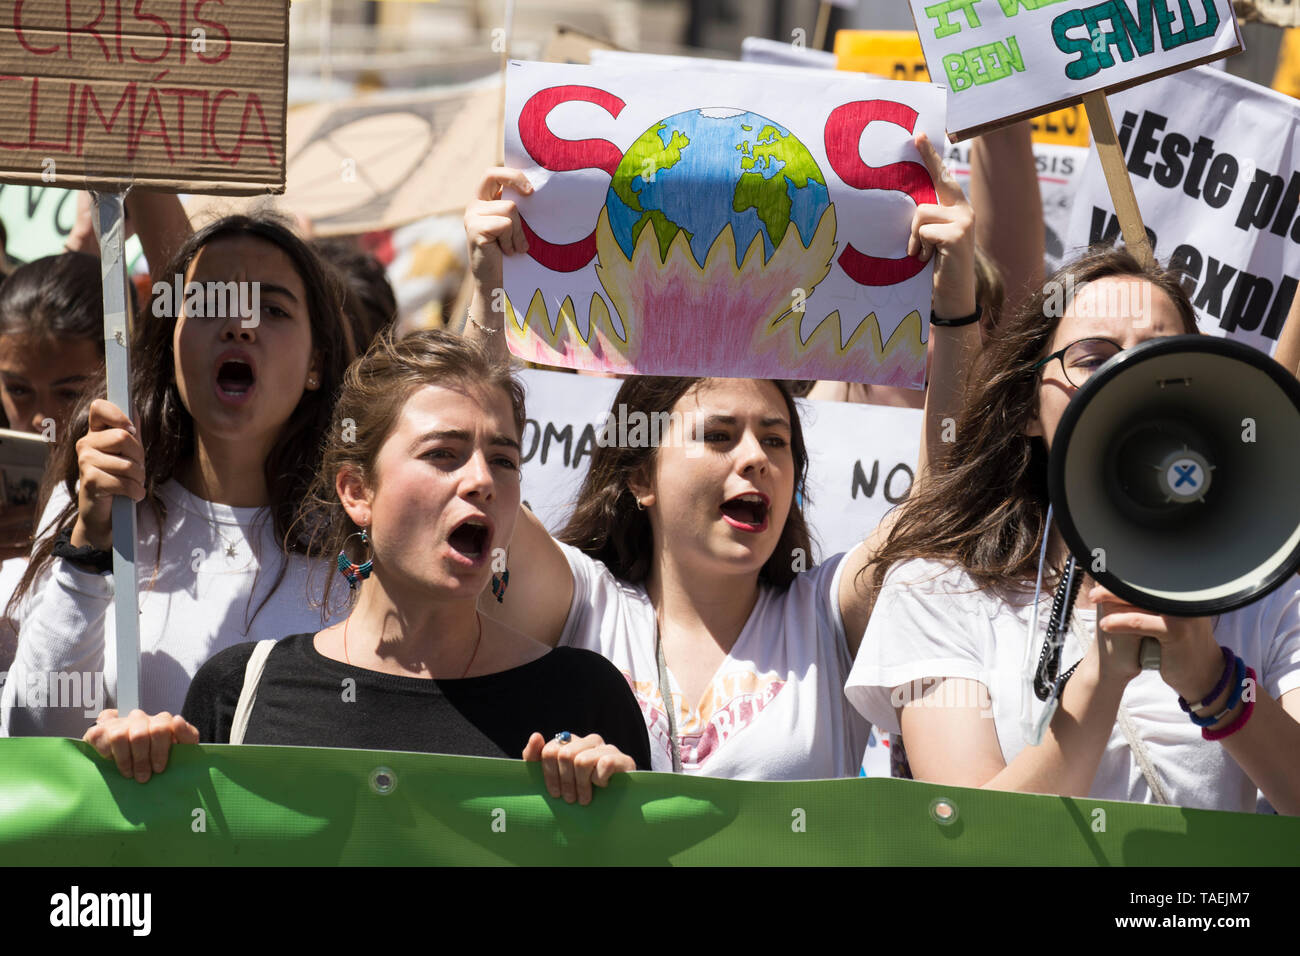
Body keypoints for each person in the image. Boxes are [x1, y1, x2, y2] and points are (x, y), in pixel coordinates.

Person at [460, 134, 981, 779]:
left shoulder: (826, 619)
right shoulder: (581, 604)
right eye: (717, 435)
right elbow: (475, 478)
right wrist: (488, 289)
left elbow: (941, 508)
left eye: (776, 439)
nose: (756, 458)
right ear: (639, 476)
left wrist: (955, 310)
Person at [83, 330, 650, 804]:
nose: (482, 480)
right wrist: (137, 780)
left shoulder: (585, 697)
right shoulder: (241, 691)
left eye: (503, 459)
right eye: (442, 454)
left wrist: (613, 817)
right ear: (358, 492)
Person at [846, 247, 1300, 815]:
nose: (1131, 379)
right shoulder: (937, 588)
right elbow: (969, 839)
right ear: (1030, 408)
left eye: (1163, 358)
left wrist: (1215, 683)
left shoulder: (1267, 585)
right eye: (1093, 358)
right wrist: (1099, 680)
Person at [0, 214, 353, 738]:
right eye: (208, 303)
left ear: (315, 366)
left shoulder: (360, 536)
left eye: (273, 309)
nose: (239, 326)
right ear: (170, 340)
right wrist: (90, 551)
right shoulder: (90, 499)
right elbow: (31, 733)